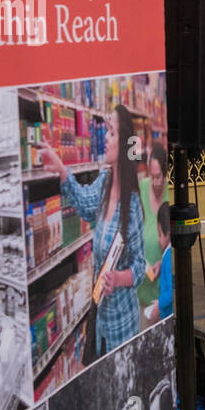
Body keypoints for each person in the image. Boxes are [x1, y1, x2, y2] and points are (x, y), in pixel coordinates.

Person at [39, 104, 146, 357]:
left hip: (122, 325)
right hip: (99, 318)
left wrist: (118, 279)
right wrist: (63, 170)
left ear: (124, 144)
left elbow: (140, 267)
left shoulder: (132, 206)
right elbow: (86, 206)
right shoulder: (105, 180)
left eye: (111, 133)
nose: (105, 139)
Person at [138, 142, 169, 315]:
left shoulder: (169, 192)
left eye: (159, 177)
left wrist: (161, 262)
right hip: (143, 284)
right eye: (153, 175)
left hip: (162, 285)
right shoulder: (143, 186)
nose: (155, 182)